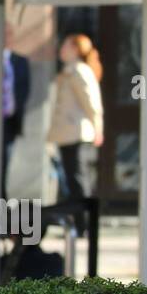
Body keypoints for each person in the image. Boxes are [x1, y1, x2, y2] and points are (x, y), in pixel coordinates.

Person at [47, 33, 103, 203]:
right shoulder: (67, 72)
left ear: (75, 49)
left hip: (76, 135)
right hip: (66, 135)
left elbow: (92, 104)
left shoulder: (79, 71)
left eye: (65, 46)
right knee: (71, 182)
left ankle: (84, 225)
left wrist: (98, 128)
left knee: (78, 181)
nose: (61, 49)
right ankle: (78, 224)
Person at [2, 28, 31, 199]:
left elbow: (24, 90)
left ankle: (0, 203)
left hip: (10, 121)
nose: (5, 38)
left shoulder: (20, 61)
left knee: (3, 164)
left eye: (8, 34)